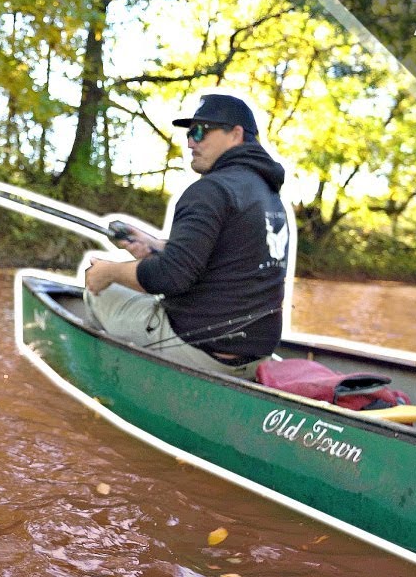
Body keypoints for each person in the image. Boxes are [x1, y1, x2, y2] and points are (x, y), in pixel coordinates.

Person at [83, 93, 289, 378]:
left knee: (98, 289)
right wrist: (155, 246)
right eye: (190, 133)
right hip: (256, 353)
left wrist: (109, 272)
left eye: (200, 131)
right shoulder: (267, 193)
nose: (191, 141)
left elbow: (168, 278)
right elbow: (228, 257)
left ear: (235, 134)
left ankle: (104, 379)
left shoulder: (210, 190)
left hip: (201, 350)